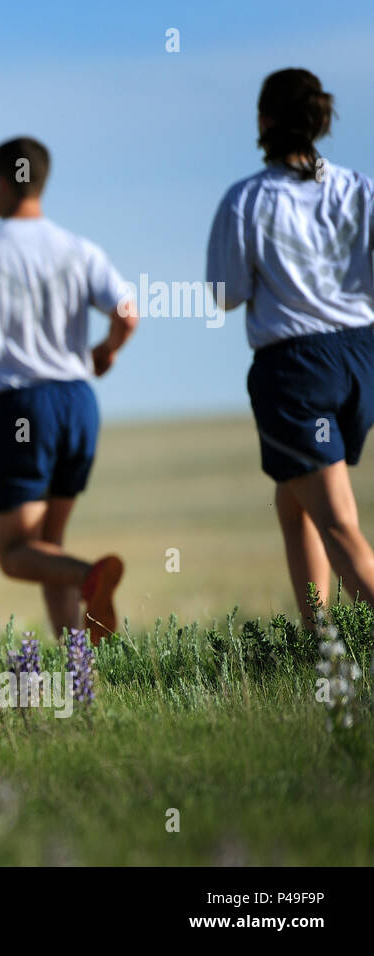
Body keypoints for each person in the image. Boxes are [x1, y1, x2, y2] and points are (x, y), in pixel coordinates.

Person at [0, 137, 135, 643]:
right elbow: (127, 312)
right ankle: (75, 658)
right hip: (78, 402)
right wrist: (106, 351)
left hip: (22, 407)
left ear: (1, 183)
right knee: (49, 545)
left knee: (15, 555)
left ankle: (91, 574)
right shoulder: (79, 248)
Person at [207, 68, 374, 624]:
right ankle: (320, 645)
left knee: (339, 525)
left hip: (296, 370)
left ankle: (336, 643)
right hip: (360, 359)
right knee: (293, 498)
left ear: (263, 122)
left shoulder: (248, 199)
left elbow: (225, 294)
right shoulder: (357, 187)